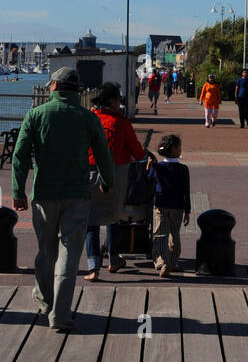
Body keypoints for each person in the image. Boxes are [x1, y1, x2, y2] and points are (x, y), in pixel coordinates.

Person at [12, 67, 115, 331]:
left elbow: (20, 156)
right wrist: (108, 181)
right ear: (76, 90)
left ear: (55, 87)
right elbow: (103, 154)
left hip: (44, 194)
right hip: (78, 194)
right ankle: (60, 313)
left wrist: (18, 191)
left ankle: (46, 301)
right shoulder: (88, 118)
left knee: (46, 251)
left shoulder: (36, 115)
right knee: (69, 253)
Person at [84, 83, 146, 280]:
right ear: (111, 101)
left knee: (91, 220)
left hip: (88, 171)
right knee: (113, 218)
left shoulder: (87, 119)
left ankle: (93, 266)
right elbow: (138, 152)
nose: (120, 103)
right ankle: (113, 258)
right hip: (117, 172)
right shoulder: (120, 122)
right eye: (119, 99)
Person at [150, 133, 190, 277]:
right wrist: (188, 211)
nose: (181, 149)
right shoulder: (183, 169)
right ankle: (172, 263)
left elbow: (149, 181)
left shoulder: (157, 167)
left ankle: (162, 262)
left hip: (161, 205)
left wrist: (149, 168)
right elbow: (186, 191)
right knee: (175, 235)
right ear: (174, 149)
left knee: (160, 234)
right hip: (178, 207)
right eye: (179, 147)